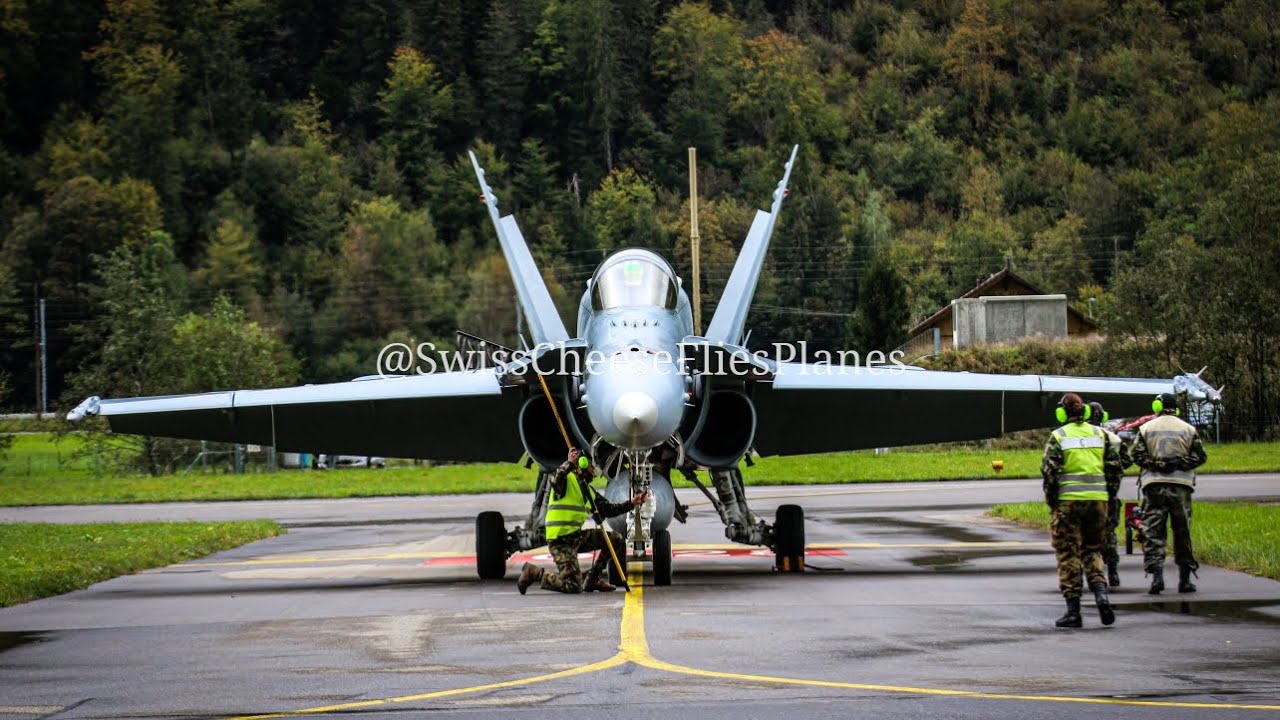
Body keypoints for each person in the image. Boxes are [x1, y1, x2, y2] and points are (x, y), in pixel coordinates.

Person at [518, 449, 649, 594]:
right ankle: (535, 573)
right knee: (572, 586)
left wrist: (633, 503)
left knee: (615, 539)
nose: (594, 470)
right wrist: (569, 463)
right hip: (560, 541)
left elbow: (609, 509)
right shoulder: (567, 480)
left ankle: (592, 578)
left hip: (576, 537)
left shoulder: (588, 491)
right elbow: (555, 480)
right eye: (592, 466)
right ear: (583, 464)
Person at [1042, 393, 1122, 628]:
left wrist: (1053, 501)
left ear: (1062, 413)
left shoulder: (1059, 436)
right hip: (1099, 502)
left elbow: (1050, 472)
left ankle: (1073, 611)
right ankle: (1101, 595)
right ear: (1084, 411)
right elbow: (1114, 469)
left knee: (1068, 554)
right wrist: (1107, 496)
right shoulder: (1101, 435)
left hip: (1068, 503)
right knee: (1092, 551)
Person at [1129, 392, 1207, 595]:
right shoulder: (1188, 429)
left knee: (1153, 531)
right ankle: (1185, 579)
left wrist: (1156, 465)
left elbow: (1136, 454)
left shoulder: (1146, 428)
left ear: (1157, 406)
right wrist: (1179, 463)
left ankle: (1157, 577)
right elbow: (1200, 456)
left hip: (1154, 485)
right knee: (1182, 531)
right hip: (1181, 486)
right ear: (1176, 408)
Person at [1089, 401, 1131, 587]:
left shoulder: (1078, 437)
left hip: (1086, 494)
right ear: (1103, 416)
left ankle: (1094, 574)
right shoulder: (1113, 438)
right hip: (1109, 495)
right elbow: (1127, 461)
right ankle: (1112, 570)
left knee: (1087, 535)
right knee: (1109, 533)